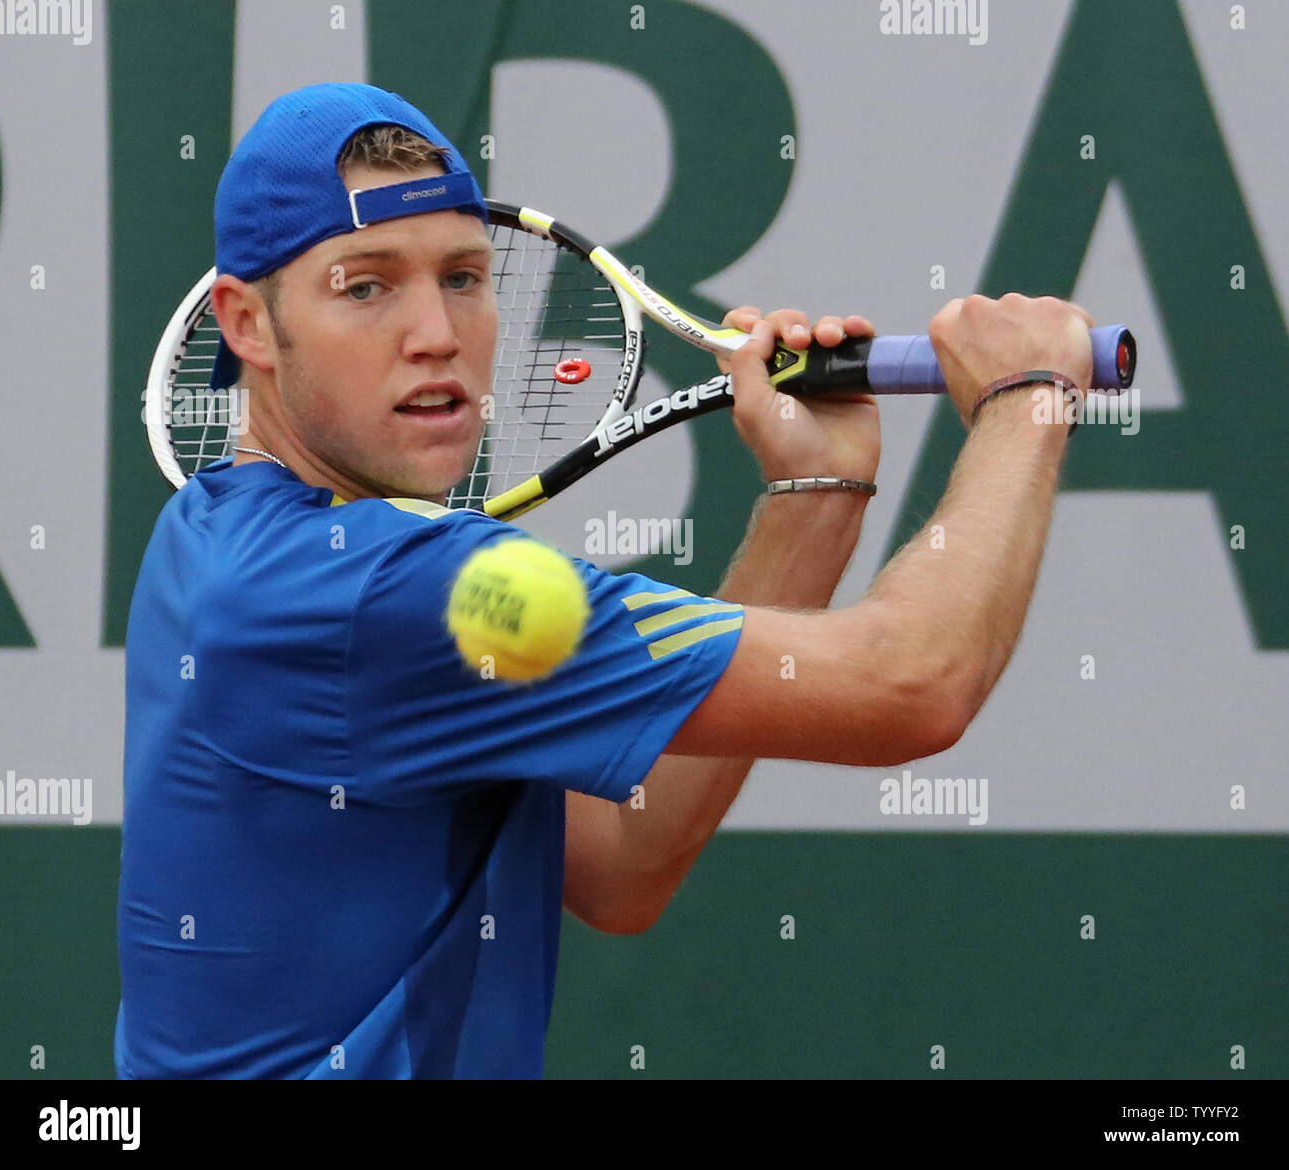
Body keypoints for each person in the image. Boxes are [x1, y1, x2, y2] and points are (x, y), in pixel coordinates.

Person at [115, 83, 1093, 1079]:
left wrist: (815, 492)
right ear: (244, 324)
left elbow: (622, 866)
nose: (436, 333)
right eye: (365, 288)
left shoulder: (216, 534)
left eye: (462, 276)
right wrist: (1028, 395)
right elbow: (911, 685)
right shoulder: (383, 589)